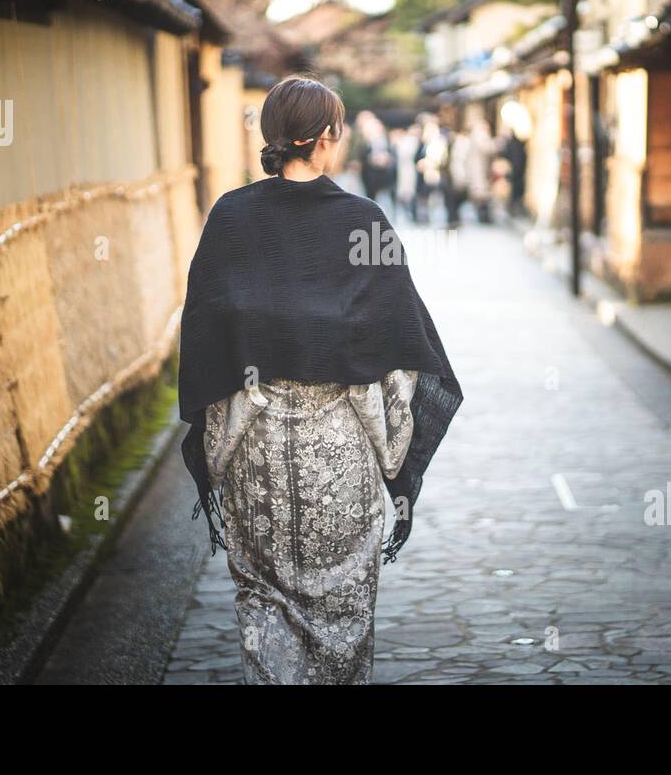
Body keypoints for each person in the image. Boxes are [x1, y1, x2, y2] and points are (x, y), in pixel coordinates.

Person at [177, 77, 463, 685]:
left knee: (262, 599)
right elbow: (397, 343)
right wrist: (393, 448)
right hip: (340, 449)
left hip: (253, 447)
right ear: (329, 139)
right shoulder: (362, 221)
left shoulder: (231, 216)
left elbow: (205, 326)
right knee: (343, 608)